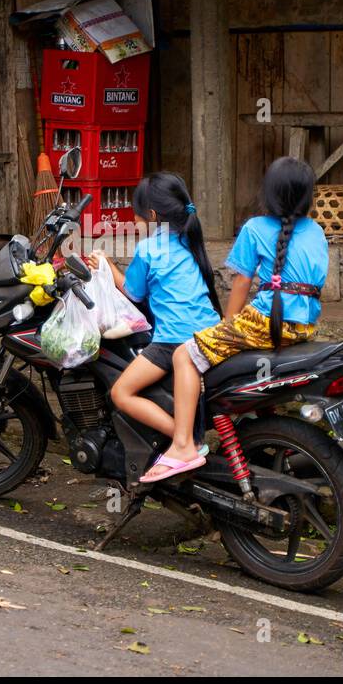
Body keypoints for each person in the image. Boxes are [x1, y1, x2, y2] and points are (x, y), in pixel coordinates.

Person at [143, 157, 328, 484]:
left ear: (268, 194)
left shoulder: (256, 228)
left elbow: (241, 285)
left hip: (266, 321)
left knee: (184, 355)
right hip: (303, 326)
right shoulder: (315, 230)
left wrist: (226, 325)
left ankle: (184, 444)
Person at [102, 173, 221, 474]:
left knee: (121, 393)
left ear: (152, 216)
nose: (135, 222)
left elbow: (133, 293)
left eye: (137, 216)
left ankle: (185, 440)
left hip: (174, 340)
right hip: (210, 332)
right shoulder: (188, 238)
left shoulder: (148, 249)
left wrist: (107, 266)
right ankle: (187, 438)